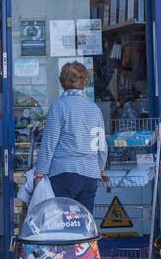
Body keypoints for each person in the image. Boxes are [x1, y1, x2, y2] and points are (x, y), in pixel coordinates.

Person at [14, 62, 108, 213]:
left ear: (62, 82)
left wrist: (40, 173)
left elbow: (49, 142)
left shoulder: (59, 106)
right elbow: (101, 144)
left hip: (65, 173)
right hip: (90, 175)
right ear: (85, 82)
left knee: (63, 224)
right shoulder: (95, 109)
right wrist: (101, 168)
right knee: (85, 224)